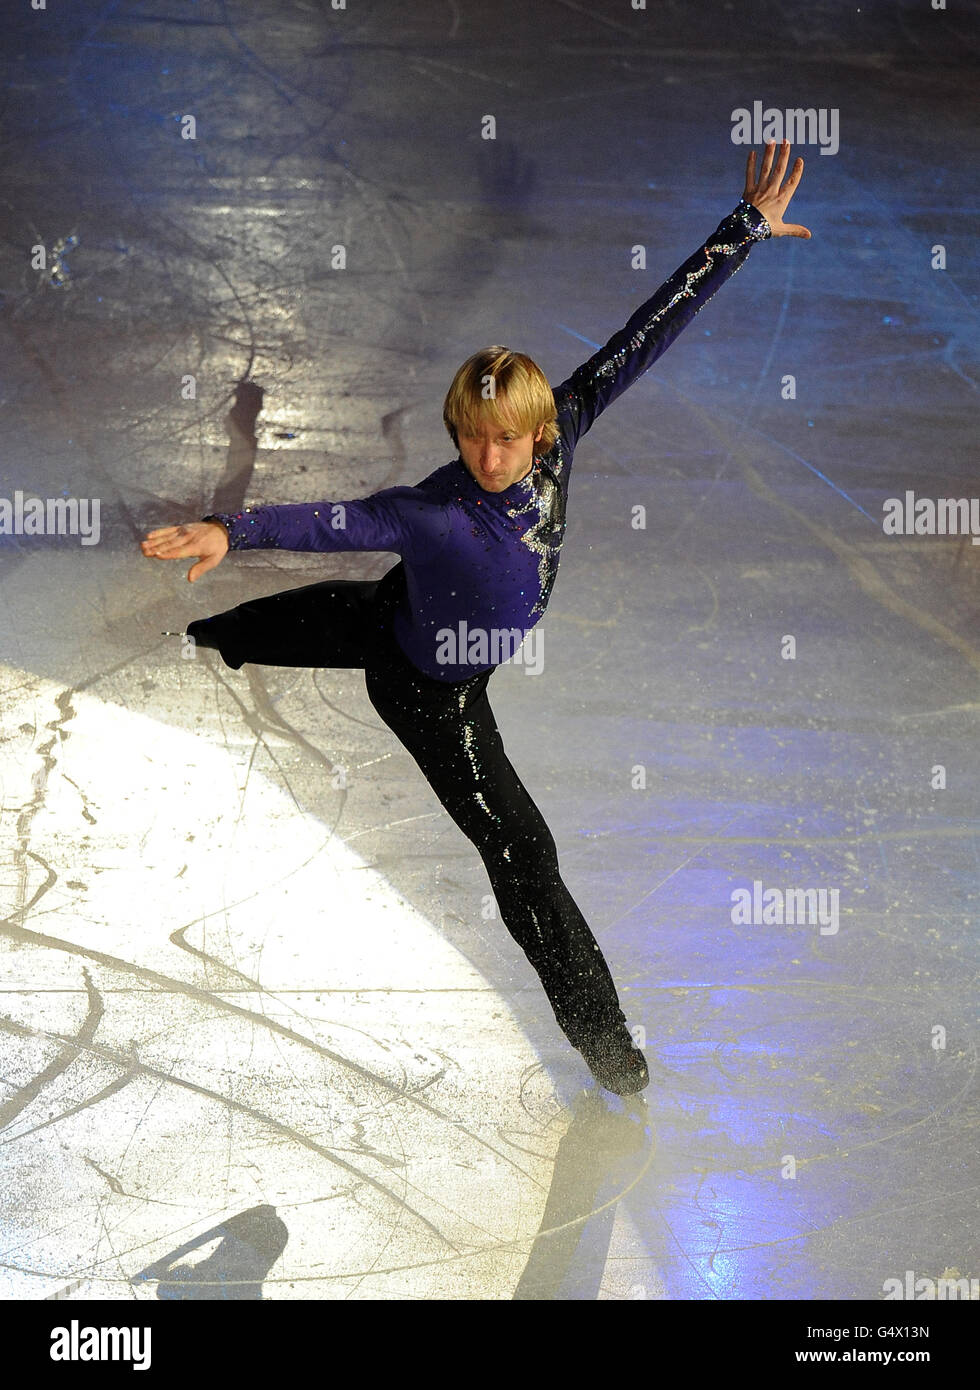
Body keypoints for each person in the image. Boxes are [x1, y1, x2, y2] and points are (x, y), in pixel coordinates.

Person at [141, 141, 809, 1096]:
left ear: (538, 429)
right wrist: (226, 526)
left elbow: (647, 331)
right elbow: (327, 521)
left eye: (505, 439)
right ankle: (609, 1046)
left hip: (403, 622)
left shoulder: (562, 434)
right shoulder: (428, 512)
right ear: (456, 429)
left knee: (350, 618)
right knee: (520, 851)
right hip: (431, 693)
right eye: (471, 436)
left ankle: (224, 635)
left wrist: (741, 231)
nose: (488, 456)